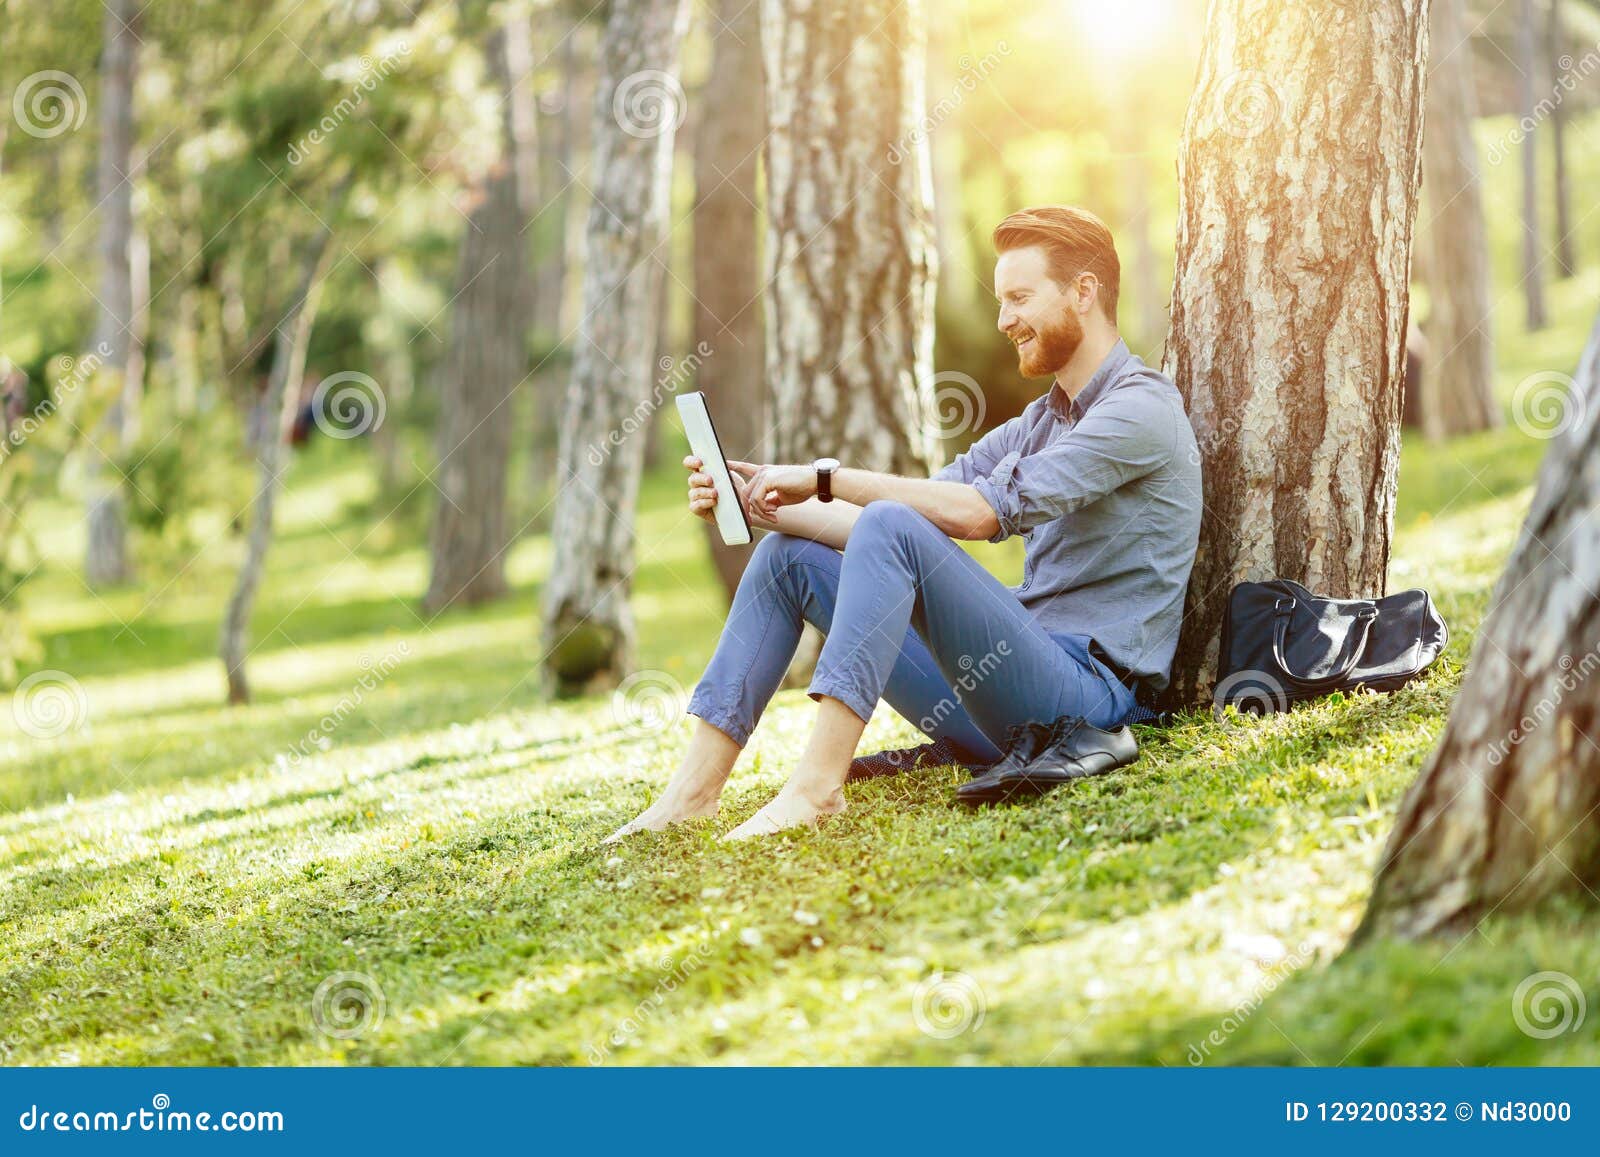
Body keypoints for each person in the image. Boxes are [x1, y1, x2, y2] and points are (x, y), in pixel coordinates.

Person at [607, 206, 1202, 842]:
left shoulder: (1140, 410)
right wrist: (762, 498)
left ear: (1084, 292)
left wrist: (823, 475)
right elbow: (910, 514)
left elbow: (973, 515)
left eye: (1020, 298)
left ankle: (816, 786)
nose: (1004, 321)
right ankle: (692, 793)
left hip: (1087, 706)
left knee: (891, 523)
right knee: (789, 555)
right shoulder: (1040, 423)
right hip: (1002, 699)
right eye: (1001, 301)